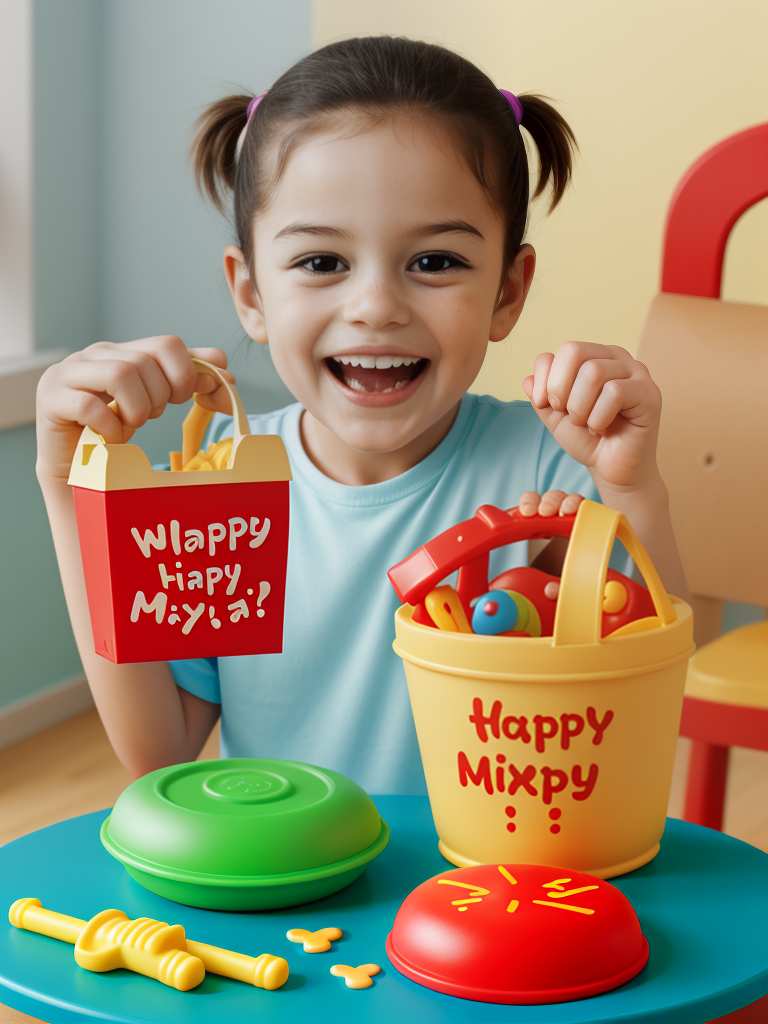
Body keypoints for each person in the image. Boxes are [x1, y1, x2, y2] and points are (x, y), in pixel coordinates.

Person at [36, 37, 688, 794]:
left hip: (490, 889)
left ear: (508, 291)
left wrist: (633, 488)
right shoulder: (218, 484)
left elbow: (648, 702)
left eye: (436, 261)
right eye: (321, 262)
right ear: (249, 294)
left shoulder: (551, 469)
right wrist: (65, 481)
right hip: (290, 890)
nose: (376, 306)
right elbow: (161, 748)